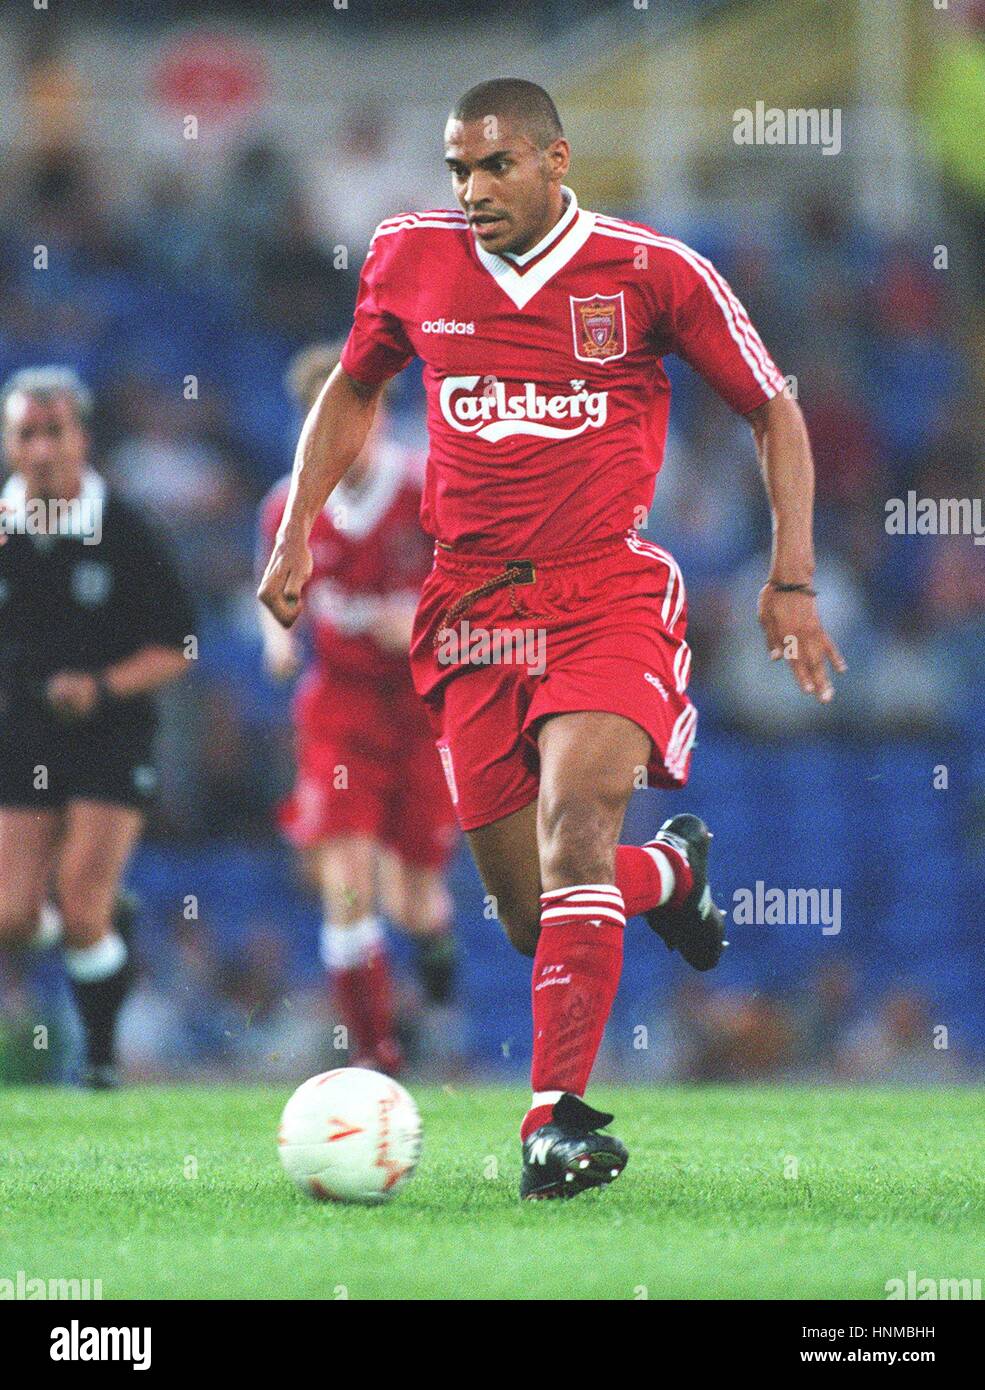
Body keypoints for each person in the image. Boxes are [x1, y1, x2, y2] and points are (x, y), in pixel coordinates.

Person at [259, 80, 846, 1198]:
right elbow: (350, 388)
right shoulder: (406, 259)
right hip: (468, 610)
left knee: (576, 819)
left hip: (602, 591)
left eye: (494, 167)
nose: (471, 191)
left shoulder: (651, 270)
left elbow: (773, 406)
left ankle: (553, 1122)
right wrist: (293, 533)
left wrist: (792, 576)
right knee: (536, 914)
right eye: (456, 171)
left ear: (555, 161)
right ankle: (668, 873)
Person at [258, 343, 457, 1076]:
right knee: (346, 883)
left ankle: (434, 944)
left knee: (413, 902)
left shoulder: (429, 490)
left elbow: (487, 594)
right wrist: (278, 639)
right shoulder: (287, 506)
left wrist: (425, 624)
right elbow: (274, 594)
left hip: (423, 713)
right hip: (339, 713)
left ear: (377, 417)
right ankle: (377, 1057)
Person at [0, 366, 194, 1088]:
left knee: (81, 905)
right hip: (24, 731)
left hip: (111, 733)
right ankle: (110, 925)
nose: (43, 448)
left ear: (82, 438)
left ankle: (103, 1064)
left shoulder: (128, 530)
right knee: (11, 920)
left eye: (56, 432)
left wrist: (102, 685)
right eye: (27, 434)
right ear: (9, 446)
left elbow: (179, 647)